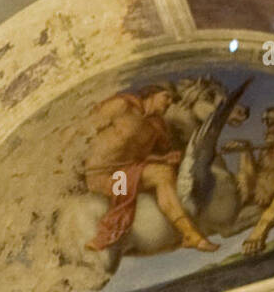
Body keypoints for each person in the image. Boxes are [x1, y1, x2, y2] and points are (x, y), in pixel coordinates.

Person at [83, 83, 217, 253]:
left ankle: (189, 233)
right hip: (100, 176)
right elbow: (82, 130)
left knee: (163, 173)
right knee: (135, 181)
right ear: (151, 93)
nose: (169, 103)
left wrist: (163, 158)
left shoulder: (156, 128)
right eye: (166, 96)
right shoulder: (122, 106)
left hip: (123, 174)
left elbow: (137, 157)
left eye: (172, 99)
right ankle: (108, 232)